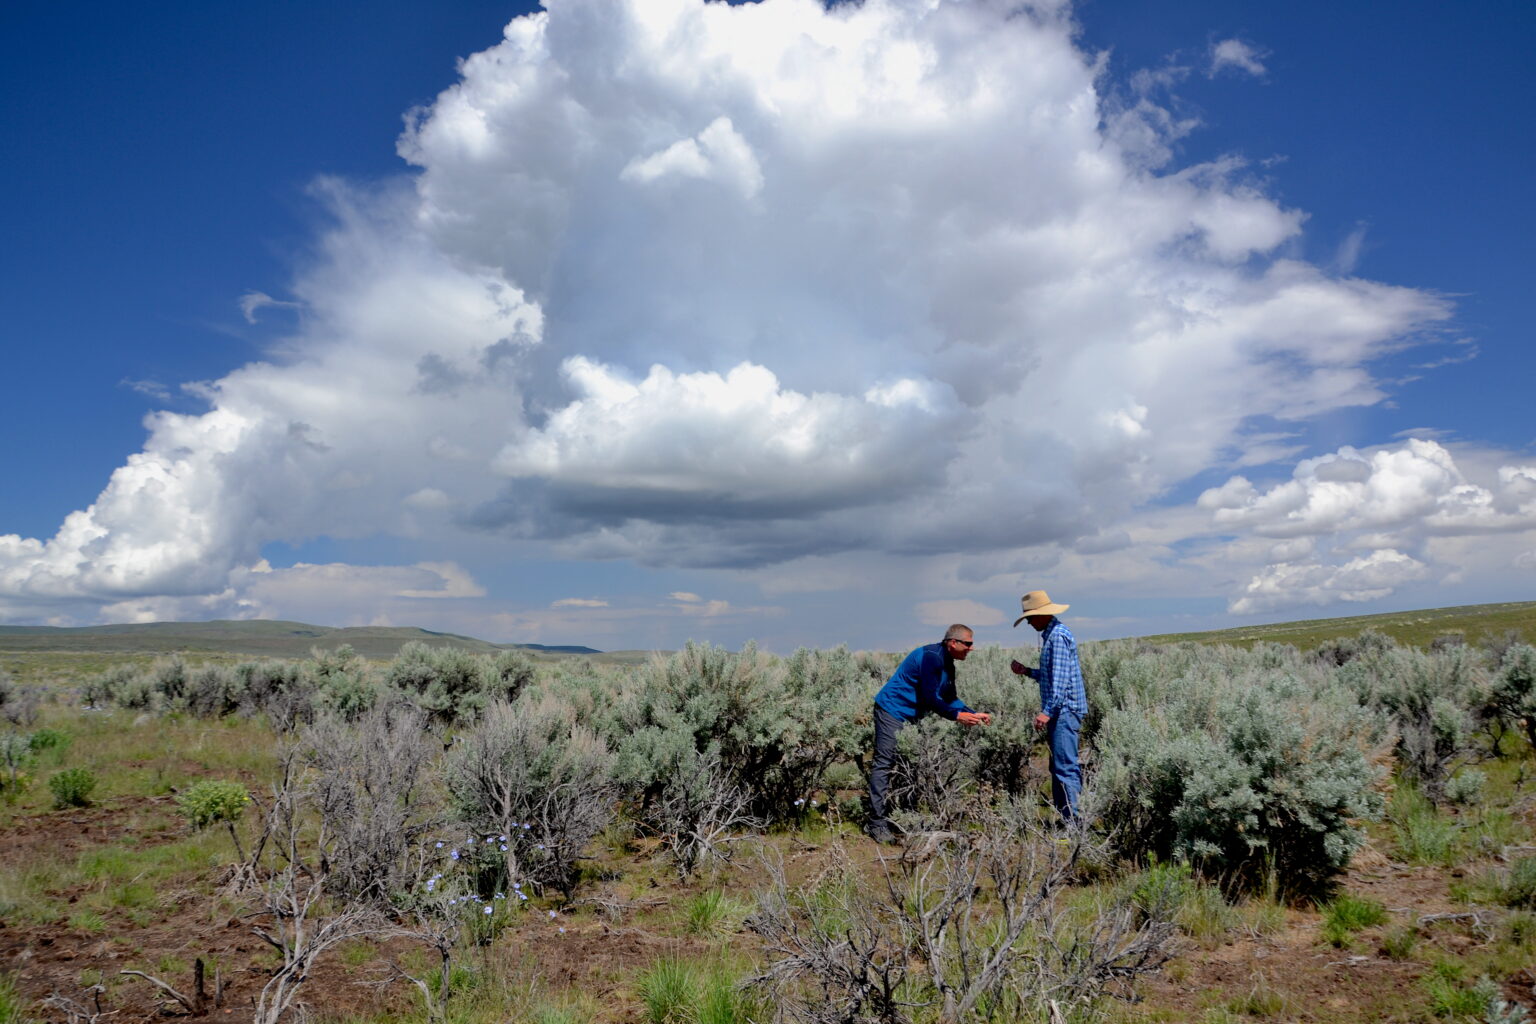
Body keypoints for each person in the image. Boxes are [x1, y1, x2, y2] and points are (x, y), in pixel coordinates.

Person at [867, 623, 992, 843]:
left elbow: (950, 697)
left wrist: (971, 713)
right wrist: (956, 717)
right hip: (891, 711)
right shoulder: (932, 657)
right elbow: (930, 698)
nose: (971, 648)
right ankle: (876, 823)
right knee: (884, 764)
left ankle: (906, 818)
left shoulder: (948, 662)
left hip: (910, 716)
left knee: (910, 765)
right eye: (968, 643)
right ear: (953, 642)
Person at [1009, 591, 1086, 822]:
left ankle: (1074, 824)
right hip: (1061, 712)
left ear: (1042, 614)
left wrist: (1047, 712)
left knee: (1065, 768)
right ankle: (1068, 819)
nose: (1030, 623)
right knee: (1060, 768)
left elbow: (1060, 682)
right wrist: (1027, 672)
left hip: (1064, 712)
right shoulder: (1052, 635)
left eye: (1031, 618)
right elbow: (1052, 675)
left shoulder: (1058, 636)